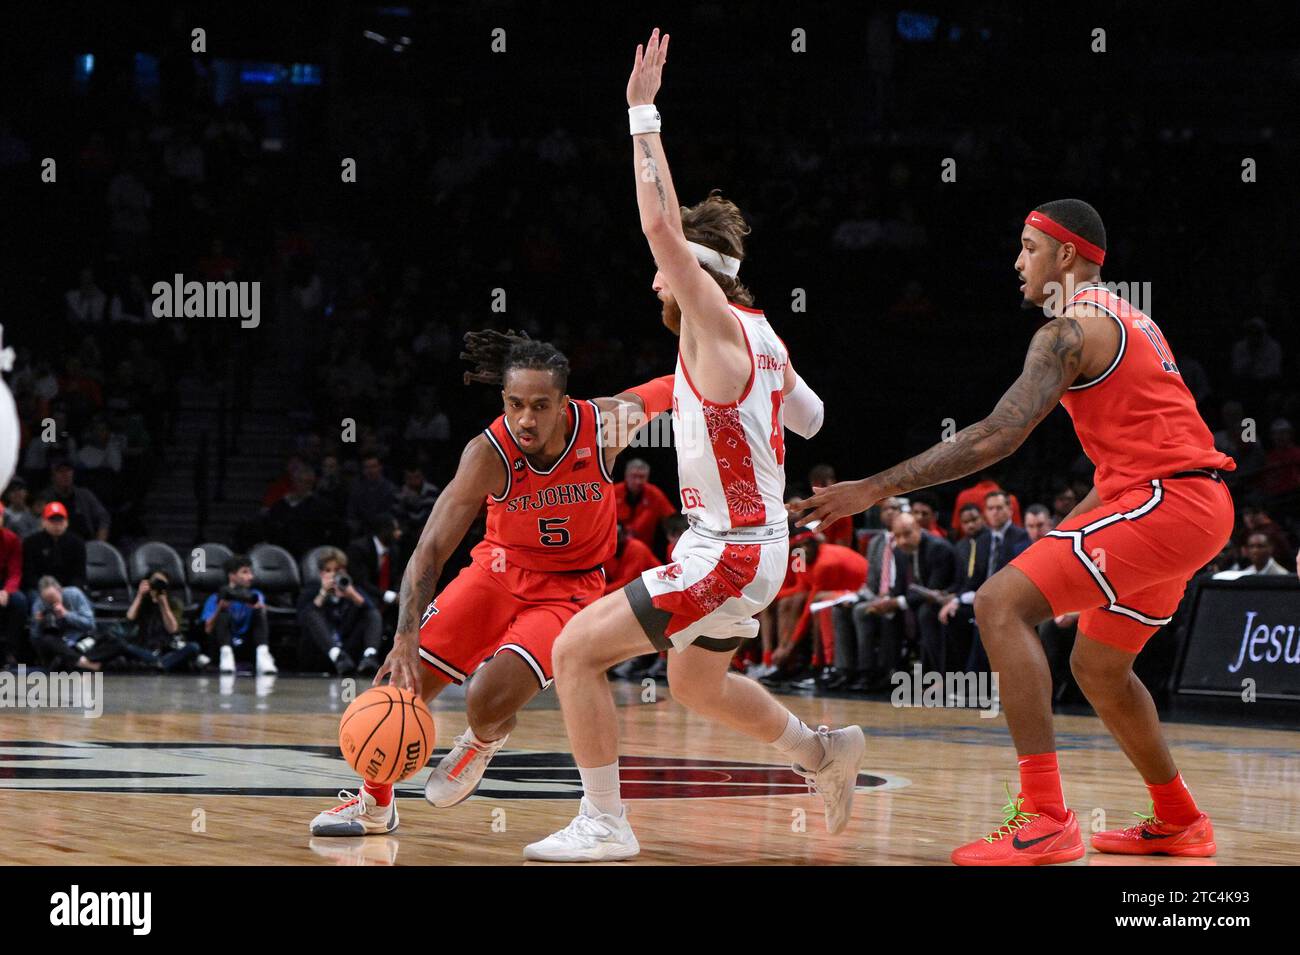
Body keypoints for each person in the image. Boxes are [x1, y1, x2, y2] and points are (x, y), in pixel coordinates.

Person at [792, 199, 1236, 864]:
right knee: (1099, 668)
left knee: (999, 603)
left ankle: (1047, 817)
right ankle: (1180, 818)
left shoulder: (1069, 329)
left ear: (1066, 253)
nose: (1017, 260)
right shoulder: (1131, 319)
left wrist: (874, 486)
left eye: (1028, 247)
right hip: (1184, 505)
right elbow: (1126, 465)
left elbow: (998, 435)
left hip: (1169, 502)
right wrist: (1063, 546)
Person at [522, 30, 860, 863]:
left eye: (664, 269)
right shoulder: (760, 333)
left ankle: (606, 822)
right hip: (758, 544)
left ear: (693, 273)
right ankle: (822, 752)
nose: (652, 279)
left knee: (572, 652)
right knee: (692, 680)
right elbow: (811, 419)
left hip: (733, 551)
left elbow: (659, 225)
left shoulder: (711, 319)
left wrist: (643, 110)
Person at [308, 329, 673, 837]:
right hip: (495, 574)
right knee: (397, 689)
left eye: (541, 406)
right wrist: (405, 637)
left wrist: (754, 382)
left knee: (486, 698)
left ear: (565, 402)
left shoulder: (605, 424)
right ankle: (375, 804)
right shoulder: (487, 453)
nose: (526, 418)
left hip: (570, 587)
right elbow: (430, 549)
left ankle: (482, 738)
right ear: (503, 399)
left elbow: (678, 385)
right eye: (515, 404)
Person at [298, 548, 383, 675]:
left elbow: (373, 613)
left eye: (337, 570)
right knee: (311, 612)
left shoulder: (352, 588)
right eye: (328, 570)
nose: (333, 574)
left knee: (371, 613)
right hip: (322, 651)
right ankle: (336, 655)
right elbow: (302, 618)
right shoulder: (312, 590)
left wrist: (353, 595)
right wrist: (322, 595)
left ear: (345, 571)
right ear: (321, 574)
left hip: (348, 649)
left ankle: (369, 655)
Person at [199, 554, 276, 675]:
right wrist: (220, 608)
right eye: (245, 572)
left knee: (260, 613)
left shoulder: (255, 594)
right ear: (232, 575)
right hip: (222, 645)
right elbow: (208, 629)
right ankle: (226, 654)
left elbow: (261, 614)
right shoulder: (215, 598)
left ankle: (263, 655)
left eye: (251, 573)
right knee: (223, 613)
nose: (250, 577)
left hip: (246, 645)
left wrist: (257, 607)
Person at [117, 570, 201, 671]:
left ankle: (160, 664)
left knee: (194, 647)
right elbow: (129, 618)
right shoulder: (143, 602)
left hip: (168, 650)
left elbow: (173, 629)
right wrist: (139, 595)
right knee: (123, 645)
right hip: (146, 650)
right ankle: (162, 664)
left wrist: (163, 604)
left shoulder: (174, 603)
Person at [30, 576, 100, 670]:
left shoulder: (74, 594)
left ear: (60, 590)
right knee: (47, 641)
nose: (51, 602)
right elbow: (35, 639)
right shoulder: (39, 605)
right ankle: (82, 662)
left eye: (53, 598)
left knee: (109, 638)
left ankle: (74, 662)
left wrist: (67, 614)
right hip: (58, 644)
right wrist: (38, 623)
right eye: (47, 600)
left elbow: (90, 624)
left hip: (79, 639)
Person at [614, 458, 676, 555]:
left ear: (647, 477)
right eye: (634, 476)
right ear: (626, 476)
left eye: (642, 477)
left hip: (644, 551)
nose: (638, 481)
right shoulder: (614, 493)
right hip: (616, 550)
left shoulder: (655, 494)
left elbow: (673, 520)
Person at [22, 502, 87, 593]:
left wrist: (65, 591)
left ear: (67, 522)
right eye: (52, 520)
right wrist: (45, 588)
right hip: (40, 589)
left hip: (69, 589)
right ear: (43, 522)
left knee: (75, 594)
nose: (57, 525)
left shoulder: (77, 543)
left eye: (60, 520)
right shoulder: (30, 543)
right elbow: (28, 575)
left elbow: (80, 575)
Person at [0, 507, 26, 665]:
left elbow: (15, 571)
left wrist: (7, 591)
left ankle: (10, 650)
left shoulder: (11, 539)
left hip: (4, 584)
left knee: (20, 601)